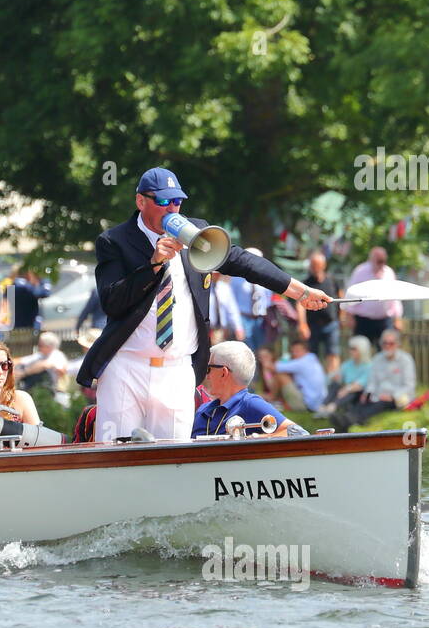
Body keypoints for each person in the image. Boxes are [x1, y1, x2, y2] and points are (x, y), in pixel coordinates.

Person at [77, 167, 329, 443]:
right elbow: (113, 302)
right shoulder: (115, 240)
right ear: (141, 201)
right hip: (127, 365)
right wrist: (152, 265)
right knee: (117, 453)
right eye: (163, 202)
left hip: (176, 367)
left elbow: (244, 262)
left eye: (177, 201)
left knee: (175, 457)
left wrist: (299, 291)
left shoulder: (195, 232)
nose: (172, 208)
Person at [193, 341, 303, 437]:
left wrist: (255, 439)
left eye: (209, 369)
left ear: (223, 373)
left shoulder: (250, 403)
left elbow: (298, 433)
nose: (206, 376)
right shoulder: (204, 409)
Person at [332, 329, 416, 432]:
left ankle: (351, 421)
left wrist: (392, 396)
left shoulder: (405, 360)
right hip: (378, 395)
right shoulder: (377, 359)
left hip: (398, 398)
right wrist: (367, 393)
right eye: (385, 343)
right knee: (364, 398)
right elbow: (372, 382)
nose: (387, 346)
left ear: (397, 344)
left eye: (391, 343)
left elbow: (409, 386)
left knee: (379, 404)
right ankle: (345, 418)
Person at [344, 247, 403, 345]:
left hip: (384, 320)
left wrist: (397, 318)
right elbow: (351, 294)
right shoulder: (360, 272)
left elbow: (395, 298)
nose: (381, 263)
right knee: (361, 349)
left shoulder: (389, 273)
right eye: (379, 261)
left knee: (386, 351)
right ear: (371, 259)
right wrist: (349, 316)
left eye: (383, 261)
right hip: (363, 320)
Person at [297, 250, 342, 375]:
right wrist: (302, 324)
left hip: (331, 324)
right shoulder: (306, 283)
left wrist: (341, 318)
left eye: (317, 265)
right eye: (312, 265)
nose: (314, 268)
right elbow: (299, 305)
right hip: (313, 325)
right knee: (312, 355)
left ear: (323, 265)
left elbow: (340, 298)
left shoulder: (332, 280)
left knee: (333, 353)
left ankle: (332, 381)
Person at [228, 248, 272, 352]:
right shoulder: (236, 278)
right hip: (244, 317)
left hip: (261, 320)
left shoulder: (265, 277)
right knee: (247, 350)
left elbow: (268, 298)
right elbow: (231, 302)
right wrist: (237, 325)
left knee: (262, 350)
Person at [273, 338, 329, 414]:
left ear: (305, 350)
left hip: (309, 406)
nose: (294, 353)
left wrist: (264, 361)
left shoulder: (301, 363)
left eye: (297, 350)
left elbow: (275, 367)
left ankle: (273, 400)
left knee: (281, 376)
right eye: (293, 351)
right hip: (320, 402)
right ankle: (279, 402)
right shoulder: (312, 357)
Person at [321, 335, 373, 413]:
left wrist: (347, 389)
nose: (351, 351)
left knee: (353, 391)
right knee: (335, 384)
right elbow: (337, 375)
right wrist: (334, 377)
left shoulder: (369, 366)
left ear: (362, 350)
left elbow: (361, 384)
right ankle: (323, 405)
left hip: (359, 394)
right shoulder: (347, 364)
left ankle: (333, 406)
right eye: (350, 348)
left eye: (354, 349)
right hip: (345, 390)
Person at [15, 332, 69, 397]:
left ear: (48, 346)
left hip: (55, 392)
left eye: (41, 345)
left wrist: (24, 373)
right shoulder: (41, 355)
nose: (38, 347)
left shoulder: (57, 355)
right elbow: (21, 360)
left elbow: (44, 365)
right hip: (42, 389)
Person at [10, 265, 52, 333]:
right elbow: (44, 293)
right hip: (25, 327)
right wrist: (43, 280)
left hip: (20, 326)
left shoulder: (16, 285)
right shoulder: (20, 284)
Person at [207, 272, 245, 342]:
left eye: (218, 274)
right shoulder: (204, 289)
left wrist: (238, 328)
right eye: (215, 274)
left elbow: (232, 310)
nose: (217, 276)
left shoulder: (225, 288)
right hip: (208, 329)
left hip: (222, 330)